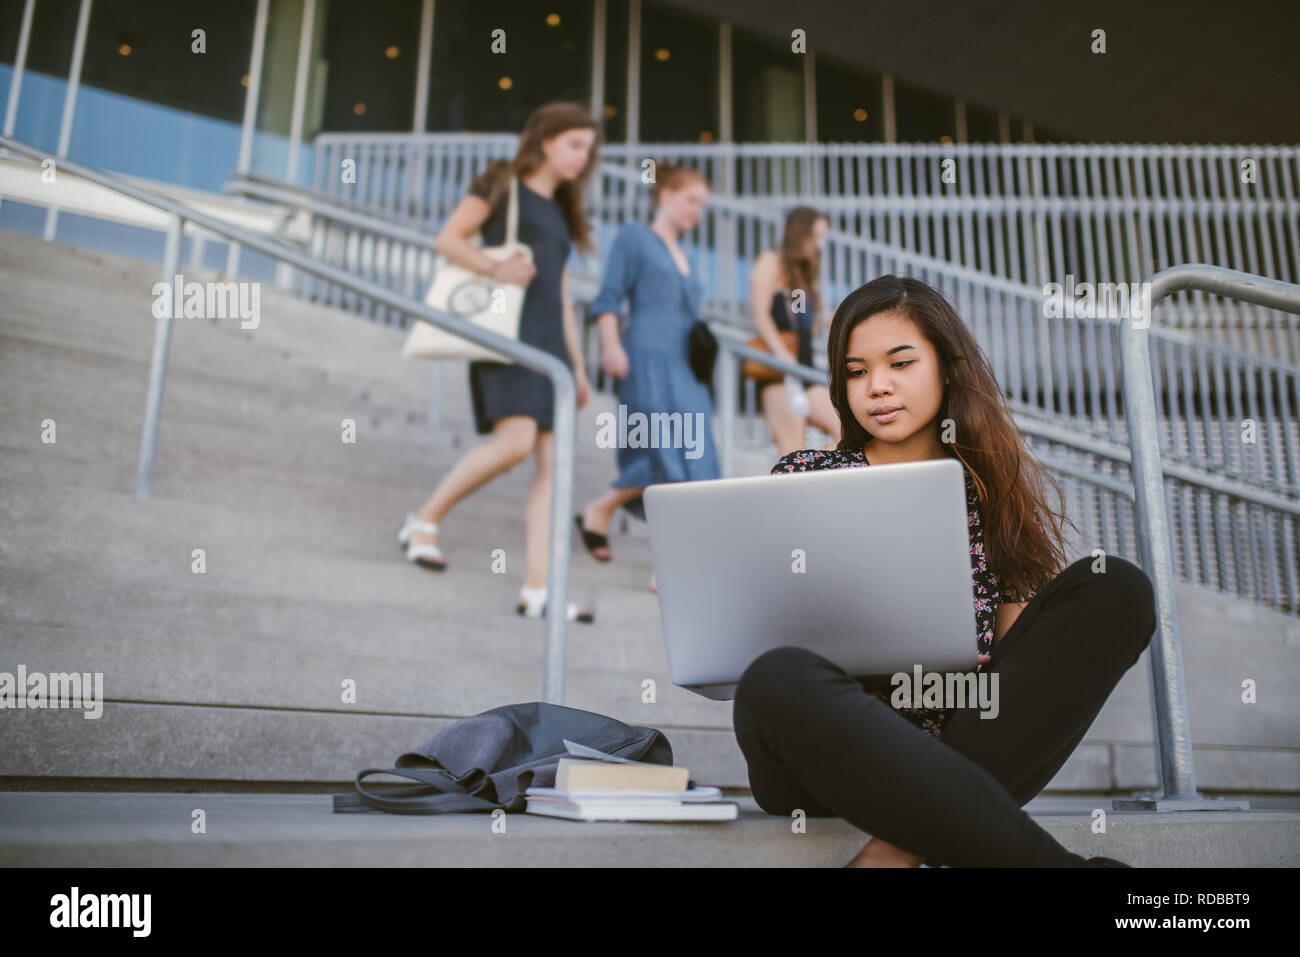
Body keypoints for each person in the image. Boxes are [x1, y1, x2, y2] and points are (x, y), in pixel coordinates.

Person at [734, 275, 1157, 867]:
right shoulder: (806, 475)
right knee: (776, 678)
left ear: (947, 368)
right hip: (823, 750)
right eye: (855, 372)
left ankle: (893, 849)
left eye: (900, 363)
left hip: (963, 750)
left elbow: (1013, 682)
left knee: (1118, 586)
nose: (876, 386)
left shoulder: (991, 493)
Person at [398, 102, 600, 624]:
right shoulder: (500, 182)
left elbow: (559, 294)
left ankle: (540, 587)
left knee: (553, 468)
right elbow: (448, 238)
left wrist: (577, 367)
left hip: (549, 342)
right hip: (504, 332)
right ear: (547, 139)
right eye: (575, 144)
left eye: (589, 149)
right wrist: (495, 265)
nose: (584, 157)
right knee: (514, 445)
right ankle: (423, 520)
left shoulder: (560, 211)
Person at [575, 162, 721, 593]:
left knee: (699, 463)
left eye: (703, 205)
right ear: (666, 195)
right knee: (661, 455)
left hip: (686, 370)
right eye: (692, 200)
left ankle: (600, 509)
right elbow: (607, 299)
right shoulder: (634, 238)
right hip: (645, 360)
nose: (698, 211)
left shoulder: (689, 256)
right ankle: (669, 566)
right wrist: (611, 345)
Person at [748, 207, 841, 456]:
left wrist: (828, 324)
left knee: (846, 430)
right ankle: (798, 480)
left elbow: (802, 330)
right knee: (792, 449)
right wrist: (780, 353)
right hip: (779, 374)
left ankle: (812, 471)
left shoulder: (803, 275)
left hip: (804, 371)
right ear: (800, 234)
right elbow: (760, 313)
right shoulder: (771, 261)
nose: (820, 245)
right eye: (816, 237)